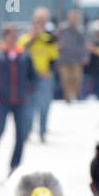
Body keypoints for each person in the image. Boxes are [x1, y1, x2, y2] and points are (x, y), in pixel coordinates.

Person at [0, 25, 36, 178]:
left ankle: (15, 166)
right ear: (4, 37)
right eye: (10, 35)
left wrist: (28, 88)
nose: (13, 38)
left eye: (16, 35)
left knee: (20, 134)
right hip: (2, 100)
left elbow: (32, 76)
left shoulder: (25, 56)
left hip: (21, 101)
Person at [17, 7, 59, 143]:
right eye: (35, 24)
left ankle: (42, 132)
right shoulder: (24, 38)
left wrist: (50, 70)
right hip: (29, 78)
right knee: (29, 106)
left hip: (44, 77)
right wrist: (32, 38)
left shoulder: (47, 39)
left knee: (44, 106)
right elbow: (19, 53)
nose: (38, 27)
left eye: (40, 25)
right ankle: (27, 131)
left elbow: (54, 58)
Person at [55, 9, 89, 103]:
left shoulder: (80, 30)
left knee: (77, 78)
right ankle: (68, 98)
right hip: (64, 58)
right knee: (65, 79)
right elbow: (55, 40)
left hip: (76, 59)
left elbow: (84, 44)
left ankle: (76, 93)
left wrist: (85, 56)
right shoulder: (62, 28)